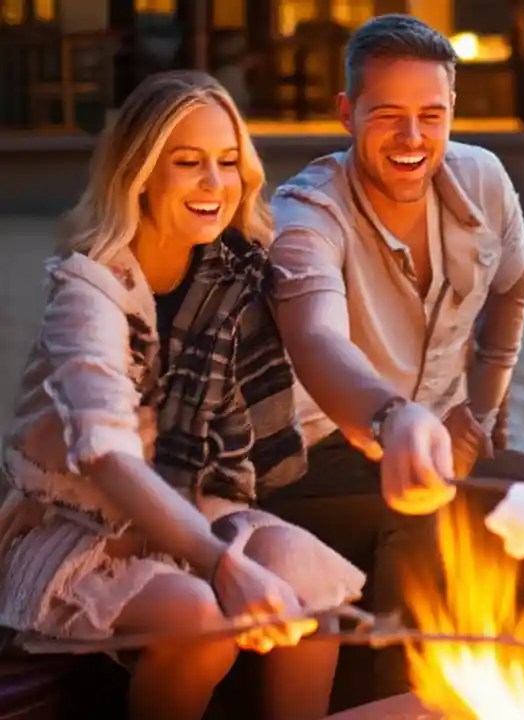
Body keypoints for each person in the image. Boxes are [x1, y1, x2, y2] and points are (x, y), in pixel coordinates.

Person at [0, 70, 364, 720]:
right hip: (81, 524)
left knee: (311, 590)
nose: (214, 184)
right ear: (139, 173)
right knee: (200, 620)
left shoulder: (236, 275)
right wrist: (223, 563)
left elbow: (322, 332)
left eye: (227, 163)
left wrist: (390, 420)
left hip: (195, 502)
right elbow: (105, 458)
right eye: (188, 163)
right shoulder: (90, 292)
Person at [260, 14, 524, 706]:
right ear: (346, 113)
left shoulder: (482, 179)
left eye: (431, 115)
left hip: (434, 433)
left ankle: (510, 693)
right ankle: (395, 702)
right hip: (311, 452)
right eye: (387, 115)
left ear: (452, 111)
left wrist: (477, 410)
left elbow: (517, 281)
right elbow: (315, 337)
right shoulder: (306, 211)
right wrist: (396, 422)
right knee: (422, 508)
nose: (413, 138)